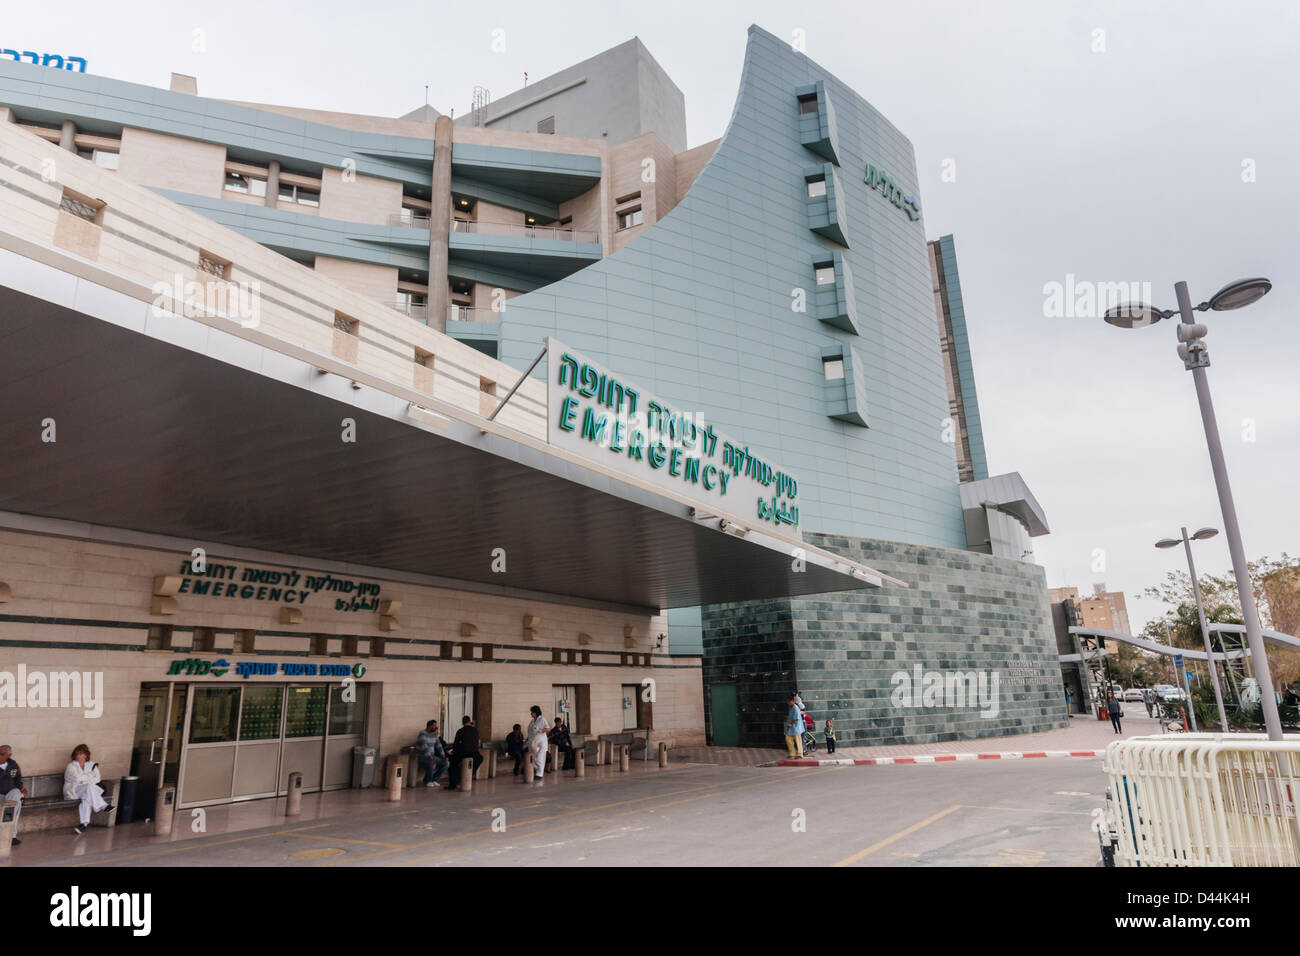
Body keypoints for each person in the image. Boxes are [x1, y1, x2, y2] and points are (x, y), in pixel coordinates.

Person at [64, 744, 112, 835]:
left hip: (87, 790)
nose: (78, 756)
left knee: (87, 797)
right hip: (73, 790)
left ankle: (83, 825)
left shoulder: (92, 765)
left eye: (81, 754)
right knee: (89, 788)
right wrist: (89, 777)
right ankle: (103, 805)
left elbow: (97, 779)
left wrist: (85, 780)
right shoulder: (71, 766)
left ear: (86, 755)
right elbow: (77, 779)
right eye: (77, 754)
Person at [447, 716, 483, 789]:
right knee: (479, 759)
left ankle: (453, 783)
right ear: (469, 721)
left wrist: (453, 752)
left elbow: (456, 744)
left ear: (462, 722)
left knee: (452, 764)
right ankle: (468, 775)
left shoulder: (460, 731)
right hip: (475, 754)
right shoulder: (475, 730)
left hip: (463, 753)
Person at [0, 744, 25, 847]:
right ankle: (8, 834)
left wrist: (22, 789)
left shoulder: (13, 765)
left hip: (10, 794)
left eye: (2, 754)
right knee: (15, 804)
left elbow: (18, 780)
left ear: (9, 755)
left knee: (16, 798)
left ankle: (11, 835)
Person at [417, 719, 448, 788]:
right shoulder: (422, 734)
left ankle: (434, 779)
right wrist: (430, 759)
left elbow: (439, 746)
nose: (436, 727)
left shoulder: (434, 734)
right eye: (435, 726)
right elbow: (425, 749)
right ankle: (428, 781)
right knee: (432, 763)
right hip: (422, 757)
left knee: (446, 763)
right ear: (430, 726)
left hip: (431, 756)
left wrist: (444, 756)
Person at [526, 706, 550, 782]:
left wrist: (541, 731)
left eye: (532, 712)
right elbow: (530, 732)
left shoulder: (542, 719)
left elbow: (547, 728)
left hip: (541, 742)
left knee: (540, 758)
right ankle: (537, 771)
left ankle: (539, 774)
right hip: (533, 742)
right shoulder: (532, 721)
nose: (531, 714)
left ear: (535, 712)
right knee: (533, 758)